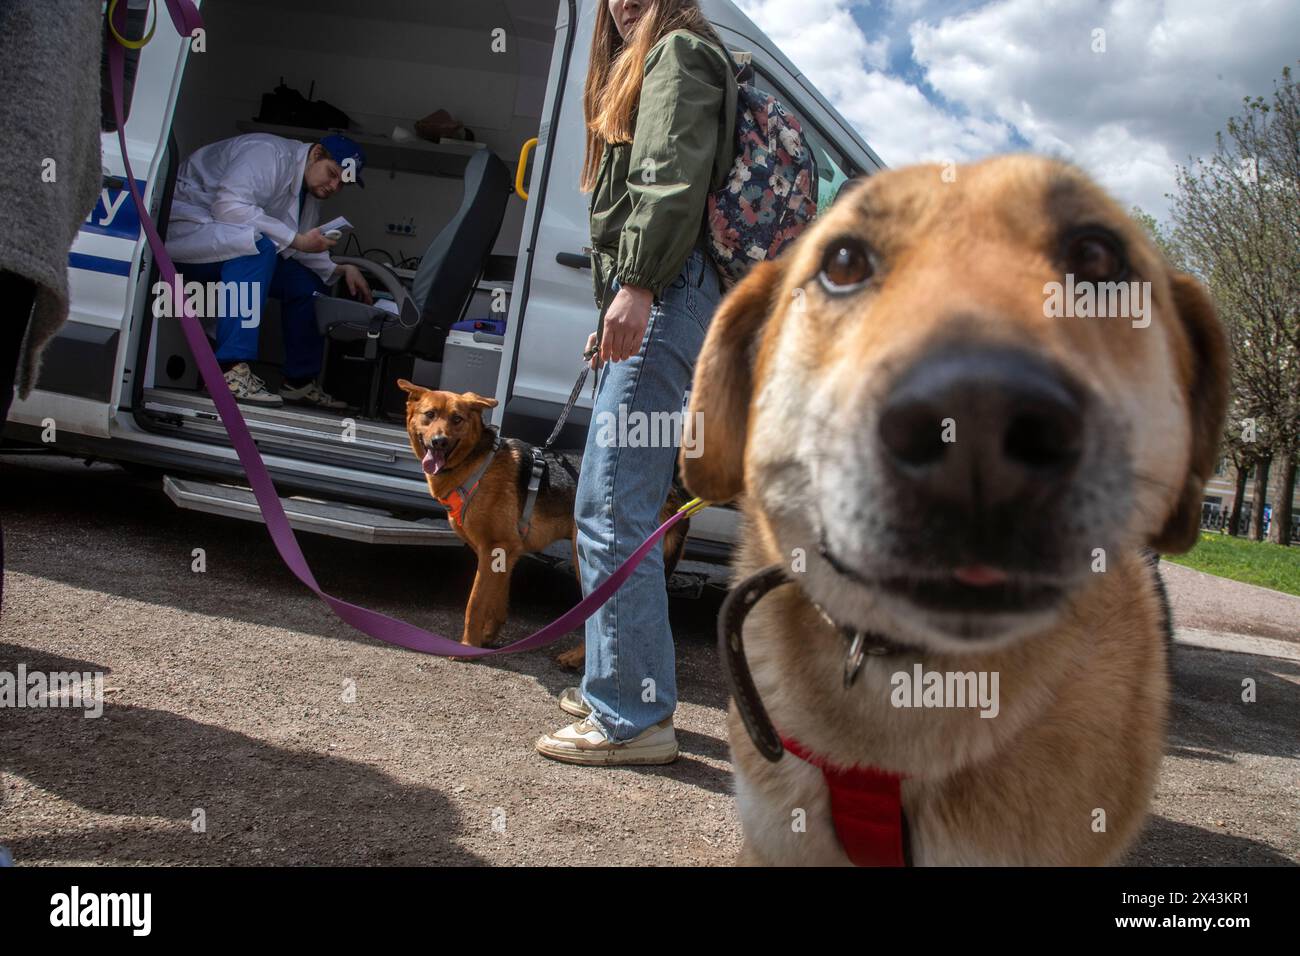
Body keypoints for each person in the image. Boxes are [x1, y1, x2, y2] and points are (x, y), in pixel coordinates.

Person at [535, 0, 736, 765]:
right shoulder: (656, 56)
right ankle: (615, 685)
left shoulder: (677, 54)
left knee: (613, 501)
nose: (622, 1)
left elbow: (667, 180)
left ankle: (633, 717)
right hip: (665, 291)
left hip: (669, 287)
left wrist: (639, 287)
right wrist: (622, 298)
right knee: (608, 498)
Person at [166, 132, 373, 408]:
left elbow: (299, 244)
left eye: (341, 183)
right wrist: (298, 240)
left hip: (223, 241)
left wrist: (339, 267)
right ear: (316, 154)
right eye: (332, 173)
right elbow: (229, 208)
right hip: (186, 230)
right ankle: (230, 370)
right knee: (256, 247)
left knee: (307, 283)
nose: (334, 186)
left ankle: (299, 382)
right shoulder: (267, 153)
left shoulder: (309, 189)